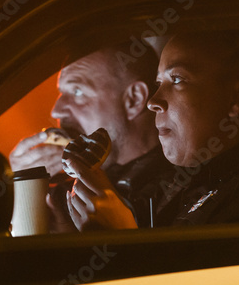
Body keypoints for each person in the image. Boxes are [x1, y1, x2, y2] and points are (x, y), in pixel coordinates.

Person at [66, 31, 239, 228]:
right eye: (158, 82)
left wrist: (121, 244)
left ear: (237, 98)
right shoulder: (180, 183)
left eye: (177, 79)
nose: (153, 101)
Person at [9, 43, 173, 231]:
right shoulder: (60, 194)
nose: (57, 111)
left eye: (77, 91)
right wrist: (24, 189)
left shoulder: (182, 193)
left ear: (133, 99)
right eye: (61, 93)